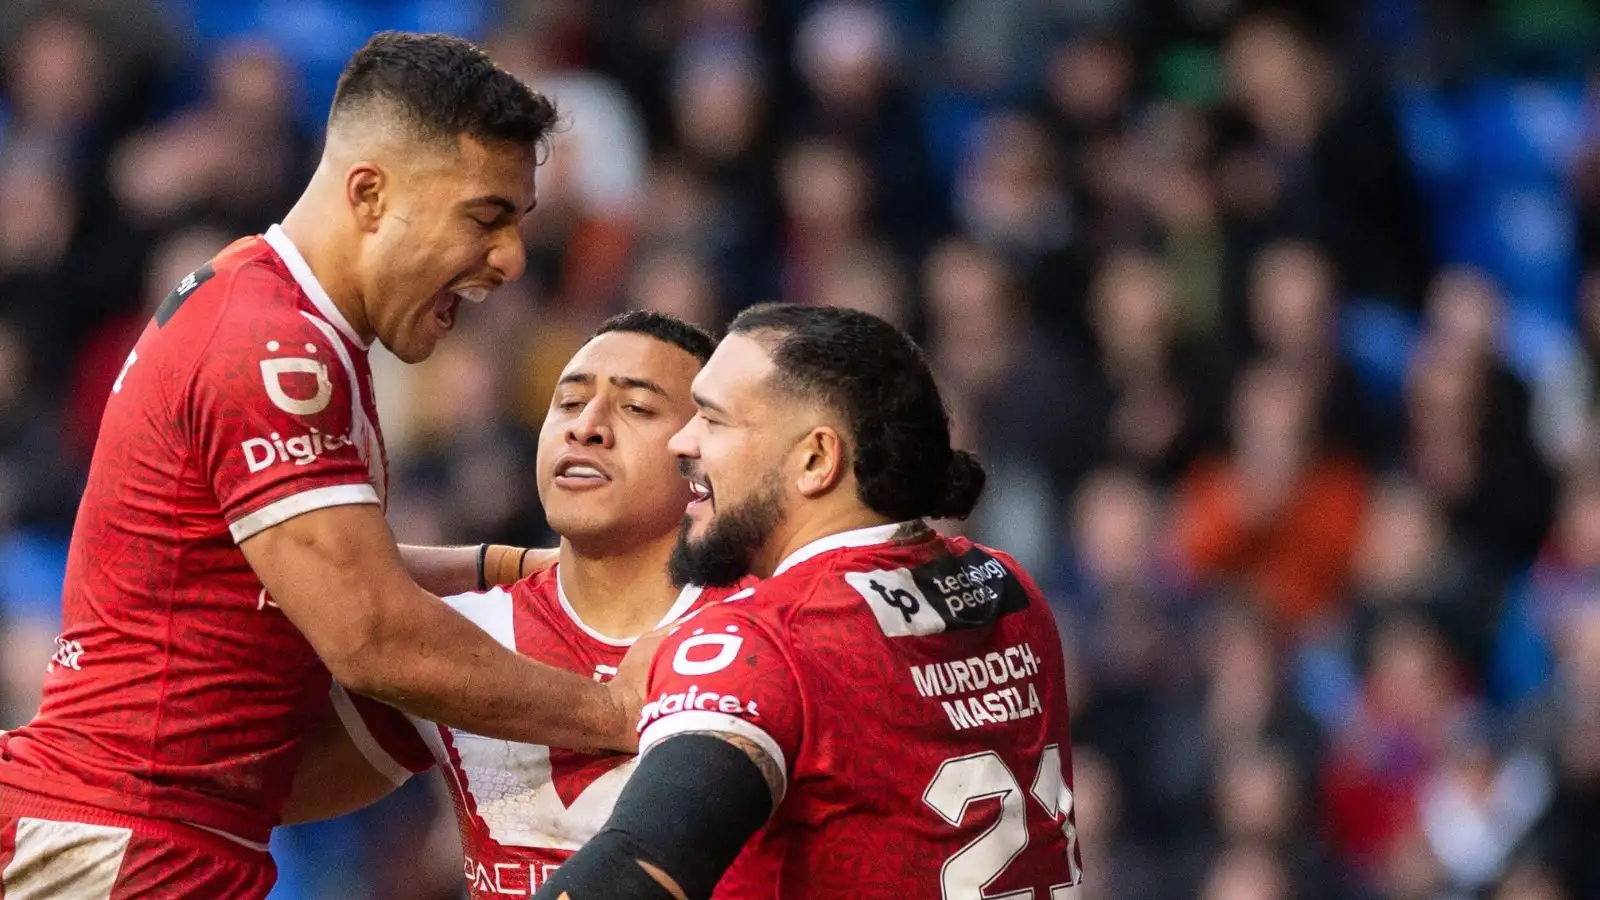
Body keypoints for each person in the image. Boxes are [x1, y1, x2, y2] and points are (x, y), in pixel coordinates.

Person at [0, 32, 648, 899]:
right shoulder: (273, 349)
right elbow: (370, 636)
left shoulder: (273, 313)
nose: (511, 259)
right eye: (486, 216)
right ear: (371, 194)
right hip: (120, 847)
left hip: (143, 837)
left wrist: (532, 576)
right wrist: (616, 710)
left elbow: (312, 569)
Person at [535, 303, 1083, 900]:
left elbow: (635, 870)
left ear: (816, 461)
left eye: (713, 421)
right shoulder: (1008, 589)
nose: (680, 440)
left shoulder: (760, 643)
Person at [279, 311, 754, 898]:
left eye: (637, 408)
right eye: (569, 402)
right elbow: (248, 788)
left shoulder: (762, 635)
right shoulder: (458, 634)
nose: (587, 427)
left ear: (702, 451)